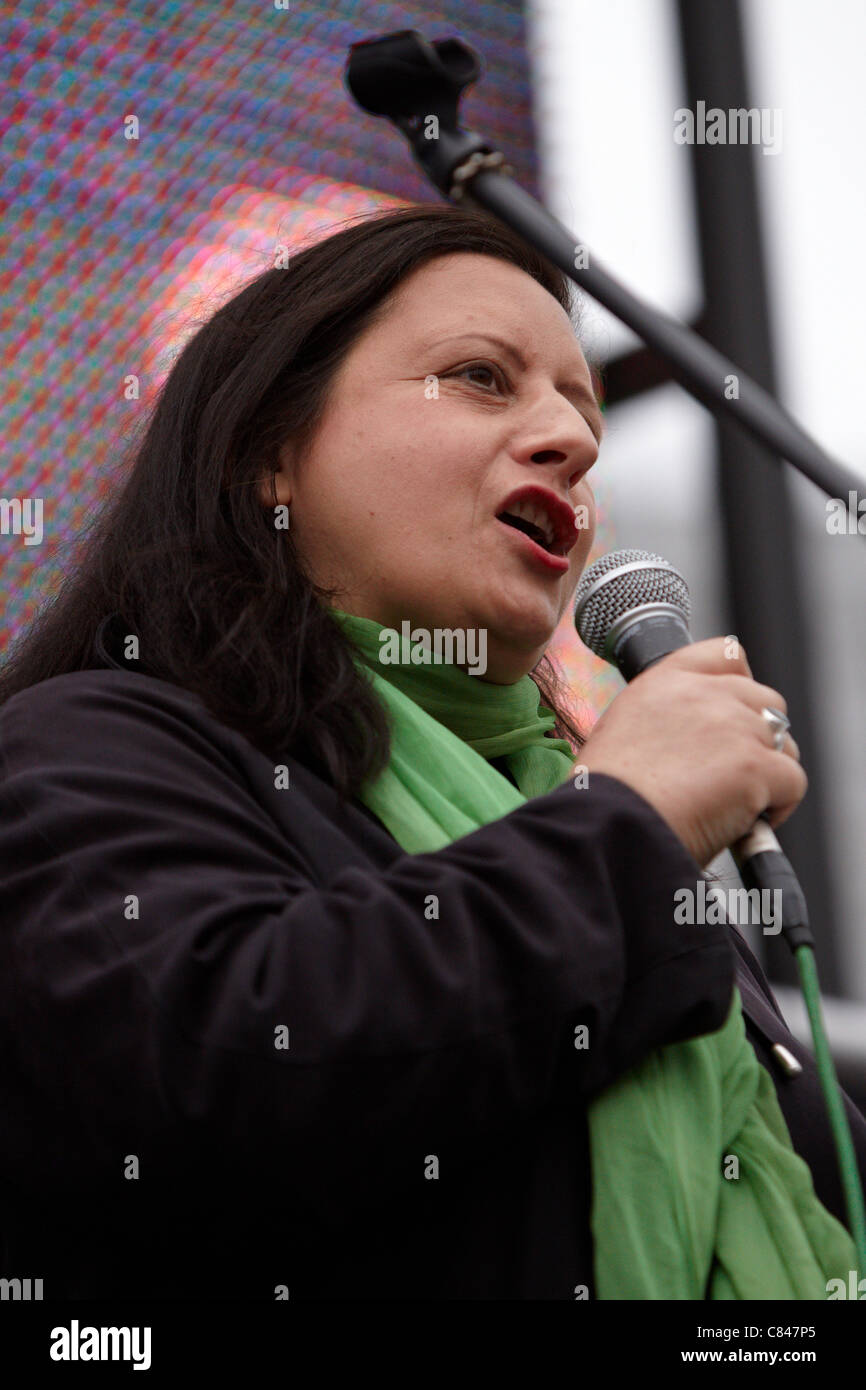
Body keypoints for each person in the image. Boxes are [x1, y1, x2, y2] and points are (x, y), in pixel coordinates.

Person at [0, 204, 863, 1300]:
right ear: (270, 450)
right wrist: (626, 826)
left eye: (581, 414)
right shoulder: (86, 749)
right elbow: (215, 1079)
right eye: (479, 377)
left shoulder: (588, 818)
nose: (570, 438)